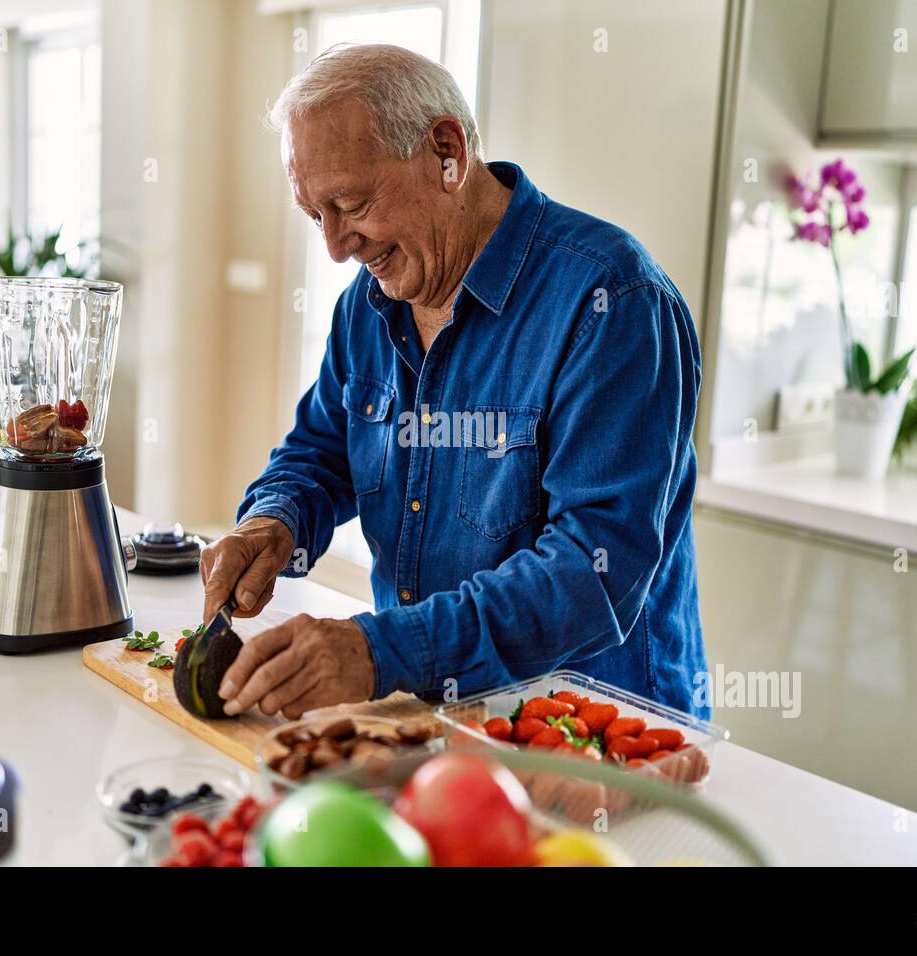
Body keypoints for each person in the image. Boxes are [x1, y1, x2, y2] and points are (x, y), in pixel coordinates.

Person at [201, 44, 706, 720]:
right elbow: (321, 453)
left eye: (350, 203)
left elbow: (591, 574)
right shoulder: (367, 303)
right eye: (313, 214)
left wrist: (379, 652)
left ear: (447, 151)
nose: (335, 246)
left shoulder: (613, 300)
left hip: (594, 737)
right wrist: (274, 520)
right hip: (431, 720)